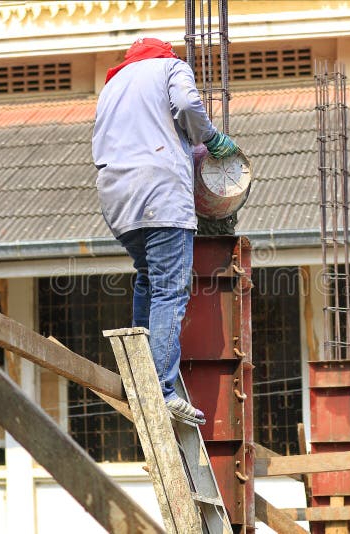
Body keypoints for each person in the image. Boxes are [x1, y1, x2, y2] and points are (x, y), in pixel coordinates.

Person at [92, 37, 239, 425]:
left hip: (116, 197)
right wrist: (210, 138)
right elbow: (189, 105)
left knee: (148, 280)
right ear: (166, 54)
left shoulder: (112, 85)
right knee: (169, 291)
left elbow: (140, 134)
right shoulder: (171, 68)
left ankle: (141, 375)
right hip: (159, 193)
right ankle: (161, 388)